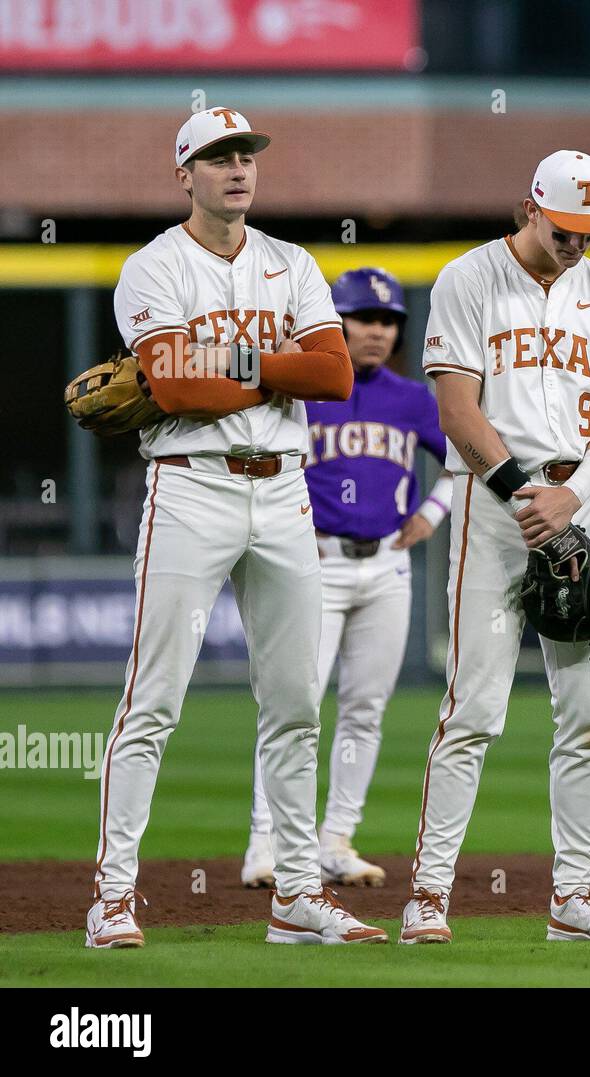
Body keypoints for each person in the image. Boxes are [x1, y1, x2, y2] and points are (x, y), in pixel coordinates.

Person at [87, 107, 384, 947]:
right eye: (218, 157)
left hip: (284, 492)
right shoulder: (152, 268)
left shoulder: (291, 263)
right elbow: (176, 391)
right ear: (184, 173)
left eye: (246, 154)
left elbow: (333, 377)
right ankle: (111, 896)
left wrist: (232, 362)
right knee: (153, 701)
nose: (238, 168)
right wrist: (267, 371)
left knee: (295, 702)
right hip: (191, 490)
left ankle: (296, 893)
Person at [401, 150, 590, 944]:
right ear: (529, 209)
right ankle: (429, 896)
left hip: (581, 505)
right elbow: (457, 410)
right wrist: (522, 494)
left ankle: (573, 898)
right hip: (494, 504)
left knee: (589, 716)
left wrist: (574, 496)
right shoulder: (468, 278)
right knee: (474, 705)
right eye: (567, 227)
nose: (579, 243)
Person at [241, 267, 453, 889]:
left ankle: (334, 840)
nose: (378, 331)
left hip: (387, 565)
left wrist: (432, 514)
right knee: (293, 705)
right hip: (314, 564)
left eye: (388, 321)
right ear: (333, 324)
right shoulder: (298, 392)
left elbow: (463, 460)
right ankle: (267, 844)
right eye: (363, 318)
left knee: (365, 711)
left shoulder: (413, 399)